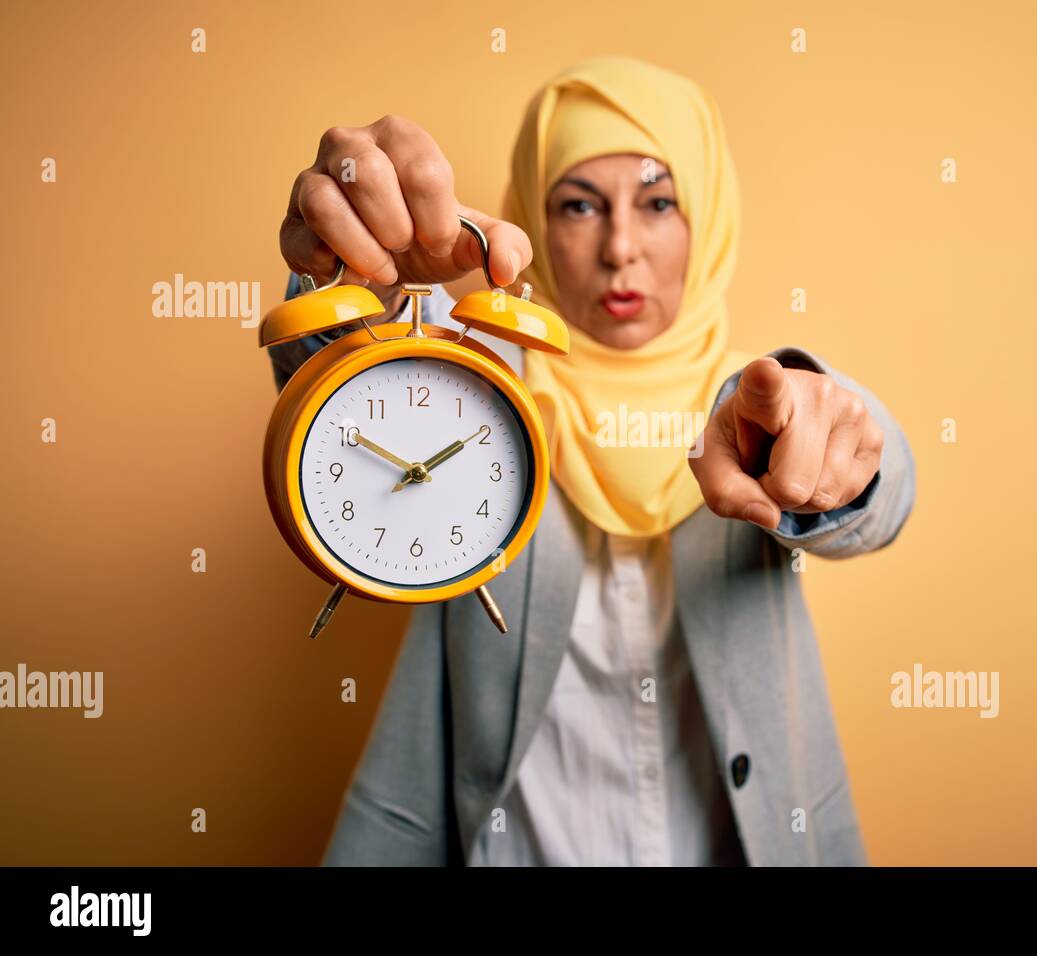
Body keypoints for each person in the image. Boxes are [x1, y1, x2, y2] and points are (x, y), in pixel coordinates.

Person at [268, 55, 915, 866]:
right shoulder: (476, 399)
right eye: (578, 205)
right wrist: (347, 268)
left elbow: (876, 489)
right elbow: (338, 399)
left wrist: (843, 447)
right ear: (532, 226)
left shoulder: (760, 407)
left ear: (706, 218)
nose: (619, 249)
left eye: (657, 203)